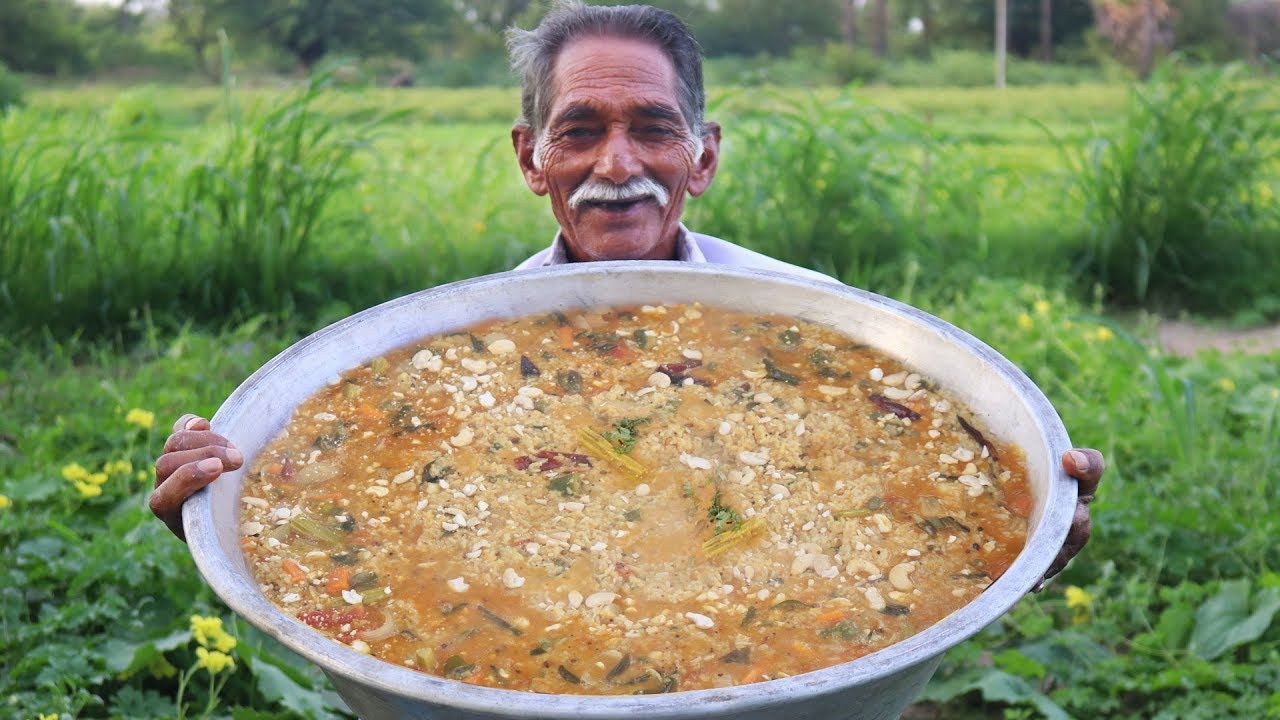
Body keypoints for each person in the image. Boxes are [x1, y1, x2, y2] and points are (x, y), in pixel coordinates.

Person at [151, 1, 1103, 586]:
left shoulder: (825, 328)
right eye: (579, 131)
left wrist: (1028, 530)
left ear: (704, 155)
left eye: (654, 127)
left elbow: (922, 513)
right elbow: (341, 520)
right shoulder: (444, 361)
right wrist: (221, 491)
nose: (618, 164)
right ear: (532, 159)